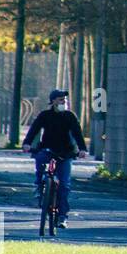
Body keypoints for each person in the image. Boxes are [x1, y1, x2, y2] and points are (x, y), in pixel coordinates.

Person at [23, 89, 86, 228]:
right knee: (39, 159)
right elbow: (34, 130)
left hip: (66, 153)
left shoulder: (70, 116)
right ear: (53, 101)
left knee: (64, 184)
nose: (64, 102)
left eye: (65, 99)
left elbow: (77, 133)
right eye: (60, 99)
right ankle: (39, 185)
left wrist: (82, 149)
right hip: (47, 149)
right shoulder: (45, 115)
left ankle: (62, 216)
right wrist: (27, 143)